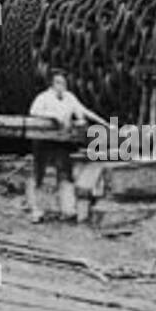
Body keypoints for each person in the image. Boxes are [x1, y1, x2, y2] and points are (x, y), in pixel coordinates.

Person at [26, 70, 96, 222]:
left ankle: (68, 209)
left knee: (65, 174)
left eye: (64, 83)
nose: (62, 86)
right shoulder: (43, 98)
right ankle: (36, 210)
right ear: (52, 84)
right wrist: (53, 116)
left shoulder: (69, 97)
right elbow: (33, 112)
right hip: (43, 141)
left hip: (62, 141)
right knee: (39, 175)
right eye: (58, 82)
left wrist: (86, 122)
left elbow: (82, 112)